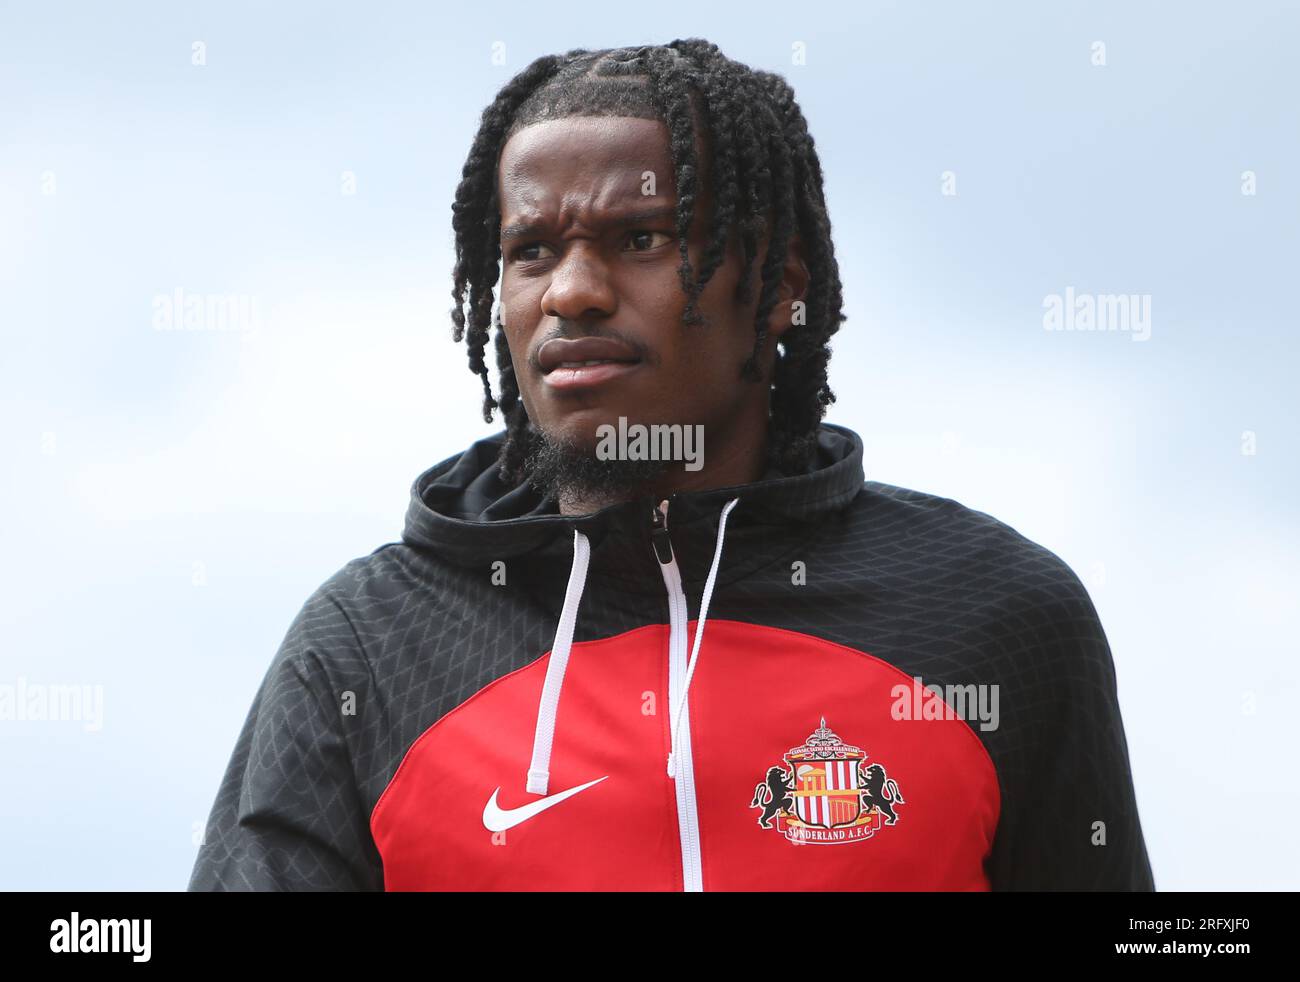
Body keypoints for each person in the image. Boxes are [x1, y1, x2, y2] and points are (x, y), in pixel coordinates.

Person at [189, 39, 1154, 891]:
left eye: (638, 240)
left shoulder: (996, 616)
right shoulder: (366, 647)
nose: (572, 293)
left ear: (777, 290)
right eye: (531, 252)